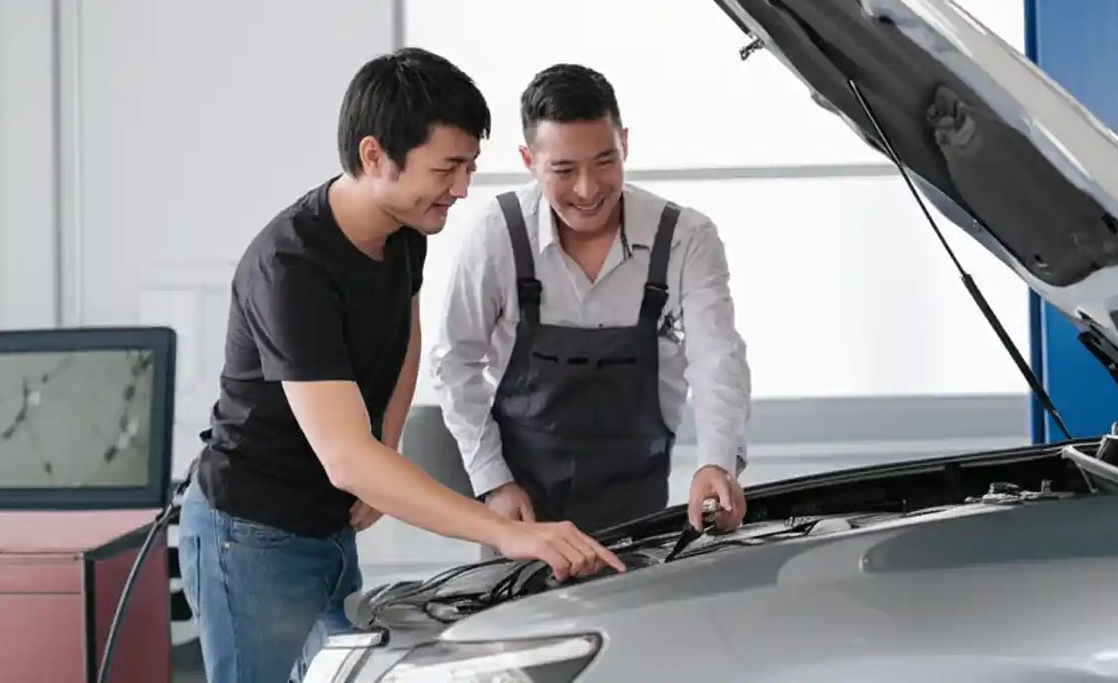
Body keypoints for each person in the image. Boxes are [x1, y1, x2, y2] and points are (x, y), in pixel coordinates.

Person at [177, 48, 624, 683]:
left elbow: (406, 335)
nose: (463, 189)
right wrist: (506, 535)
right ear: (373, 156)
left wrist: (386, 438)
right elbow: (344, 457)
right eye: (447, 168)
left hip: (327, 526)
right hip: (250, 534)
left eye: (469, 167)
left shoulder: (406, 229)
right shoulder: (291, 270)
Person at [427, 63, 751, 541]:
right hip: (522, 514)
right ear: (528, 160)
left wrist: (717, 463)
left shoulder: (685, 238)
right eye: (563, 169)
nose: (587, 188)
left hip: (640, 508)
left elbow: (717, 358)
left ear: (625, 142)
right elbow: (454, 362)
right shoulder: (497, 235)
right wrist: (492, 482)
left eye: (605, 161)